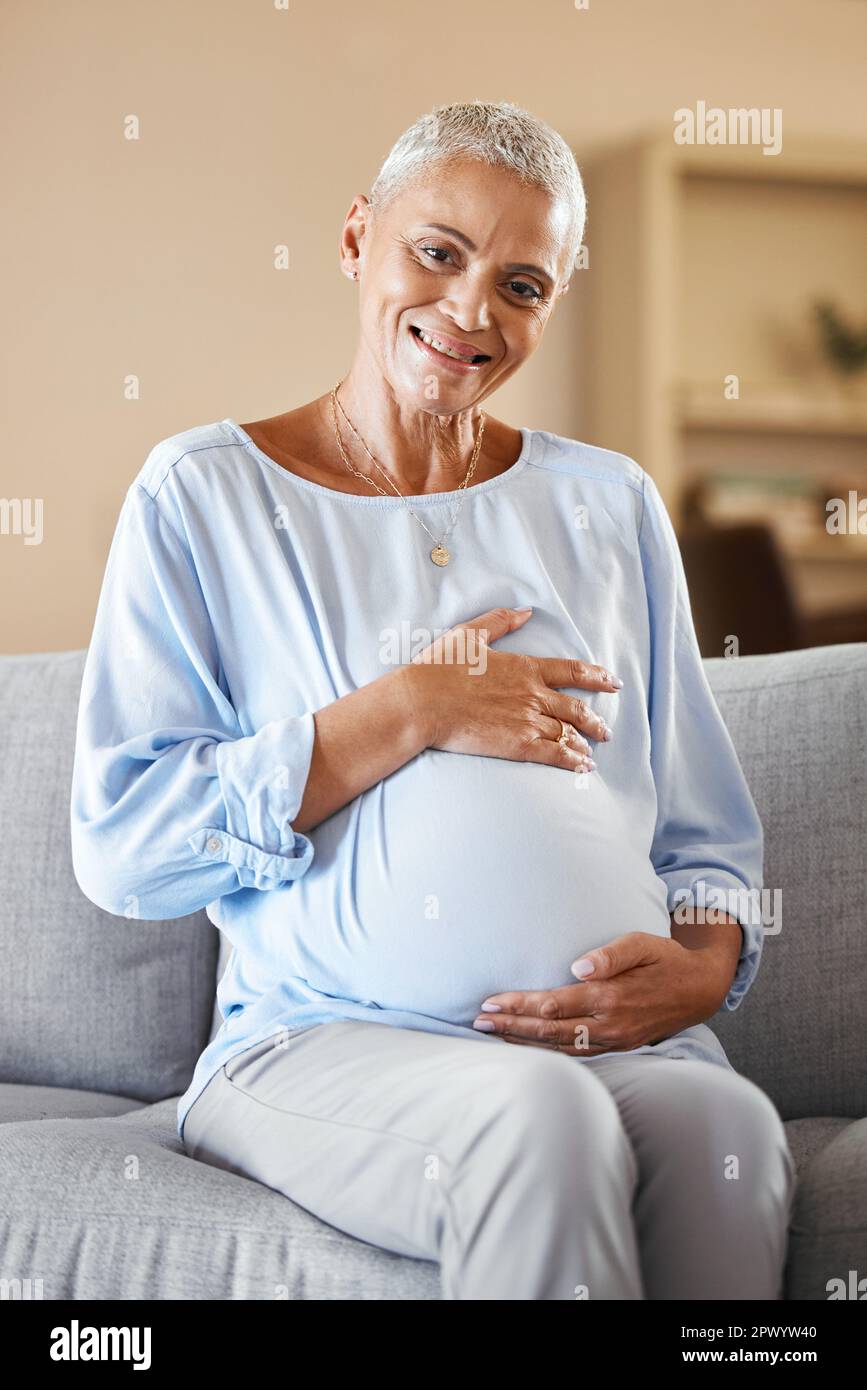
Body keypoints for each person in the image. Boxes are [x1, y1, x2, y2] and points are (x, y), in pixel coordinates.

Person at [70, 100, 796, 1300]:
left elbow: (707, 837)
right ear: (359, 236)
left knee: (729, 1134)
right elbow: (125, 846)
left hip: (599, 1046)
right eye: (439, 252)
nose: (471, 312)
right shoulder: (201, 495)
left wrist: (706, 967)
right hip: (321, 1041)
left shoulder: (609, 504)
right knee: (540, 1124)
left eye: (521, 285)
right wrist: (411, 707)